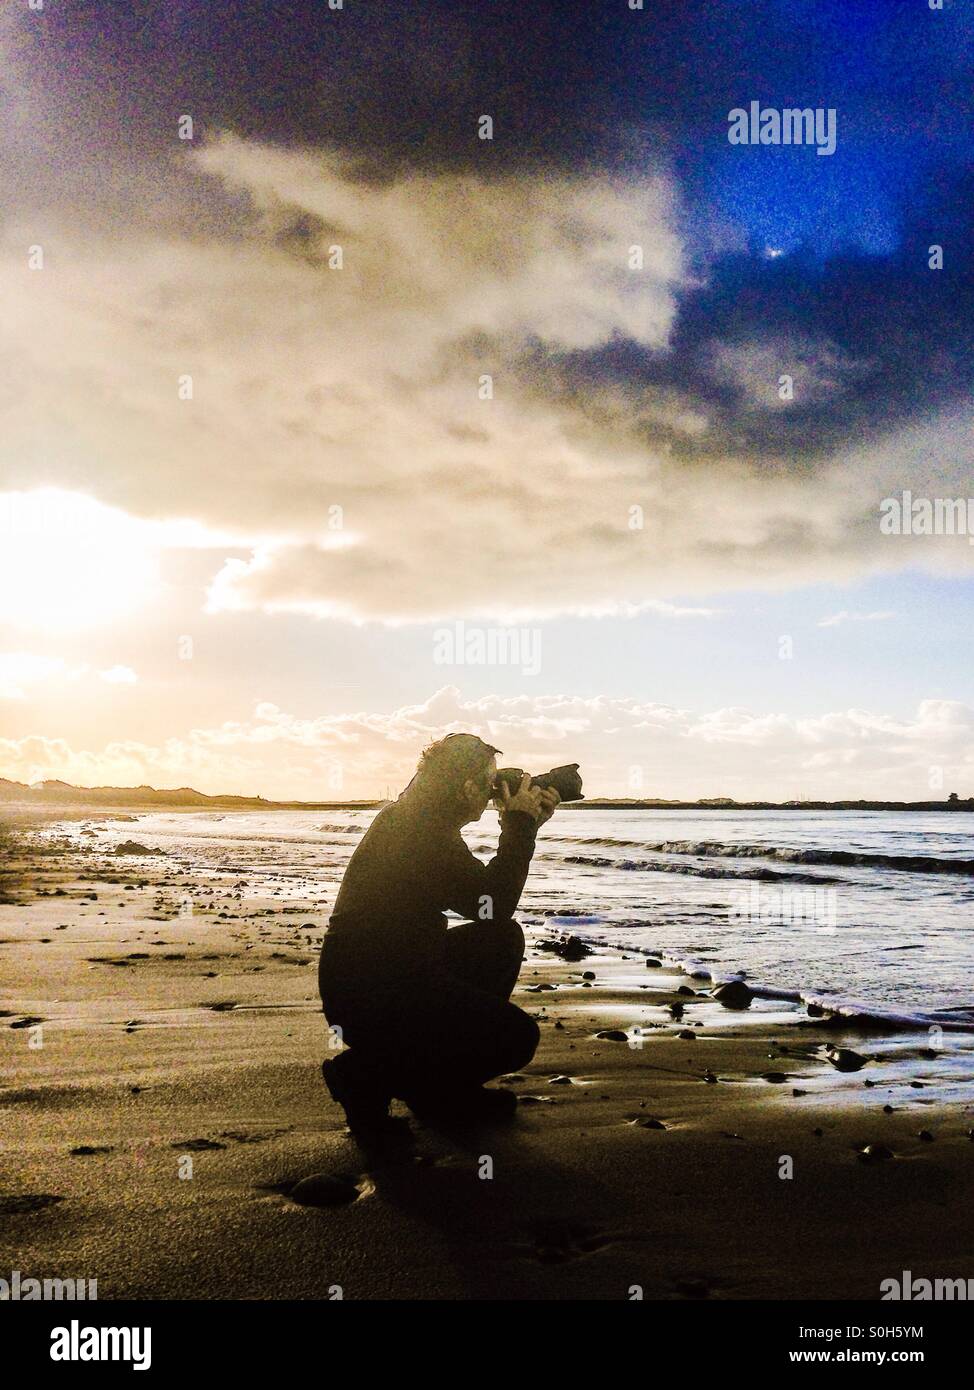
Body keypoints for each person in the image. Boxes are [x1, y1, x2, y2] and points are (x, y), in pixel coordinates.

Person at [319, 733, 559, 1140]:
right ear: (466, 788)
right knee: (516, 1038)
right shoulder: (422, 834)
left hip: (373, 978)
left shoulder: (415, 819)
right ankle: (364, 1076)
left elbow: (487, 908)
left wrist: (523, 824)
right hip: (373, 996)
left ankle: (443, 1089)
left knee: (500, 939)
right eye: (487, 781)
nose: (492, 790)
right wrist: (519, 825)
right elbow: (490, 902)